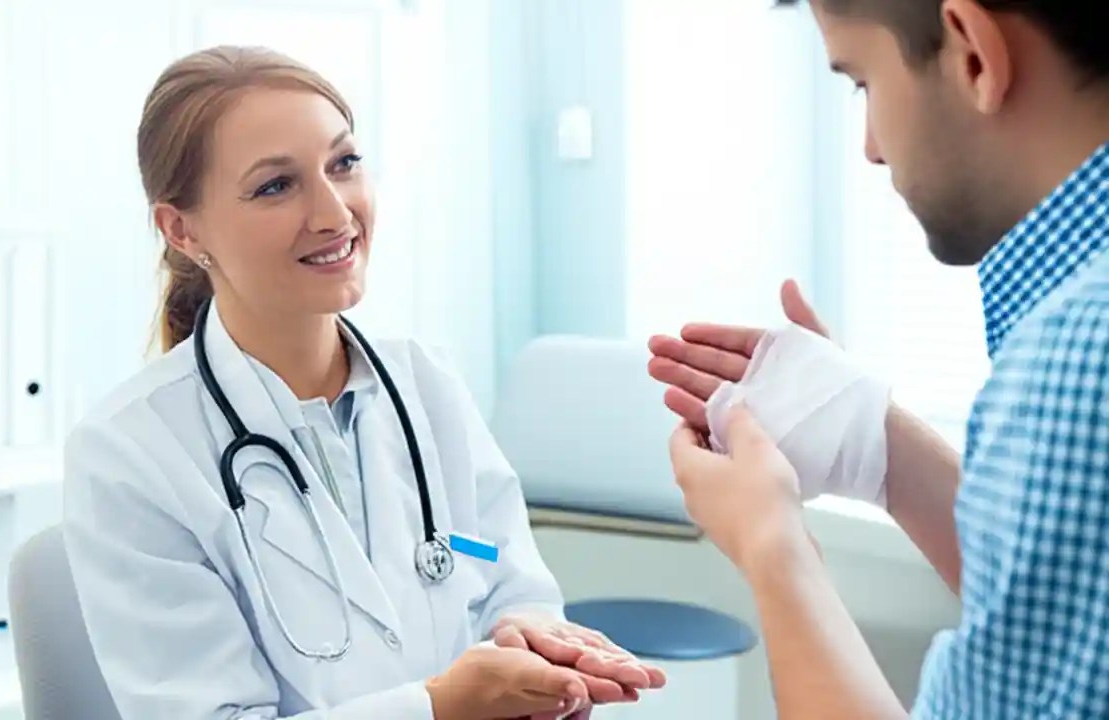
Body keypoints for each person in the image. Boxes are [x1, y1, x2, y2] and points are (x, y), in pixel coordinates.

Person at [63, 45, 664, 720]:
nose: (334, 214)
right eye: (275, 186)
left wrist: (524, 627)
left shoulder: (424, 382)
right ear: (181, 229)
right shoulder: (130, 453)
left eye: (343, 164)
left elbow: (484, 549)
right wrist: (436, 708)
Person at [647, 1, 1109, 718]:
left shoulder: (1079, 354)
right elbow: (1073, 588)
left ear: (972, 55)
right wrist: (870, 435)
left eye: (862, 80)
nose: (870, 147)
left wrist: (773, 548)